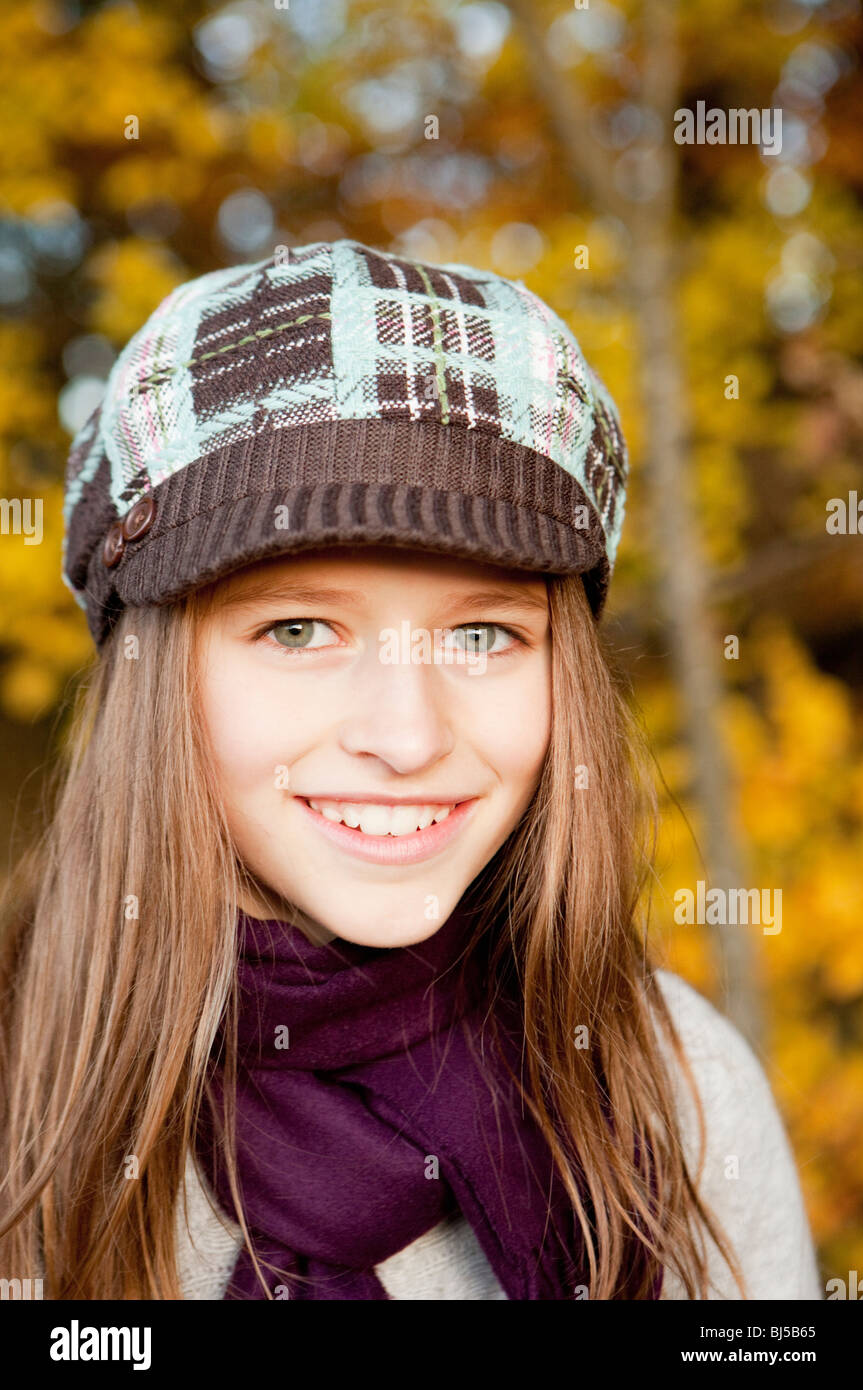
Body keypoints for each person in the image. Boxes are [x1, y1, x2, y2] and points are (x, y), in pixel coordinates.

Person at [0, 239, 821, 1300]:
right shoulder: (31, 1100)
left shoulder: (675, 1086)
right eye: (299, 629)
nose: (406, 736)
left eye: (481, 636)